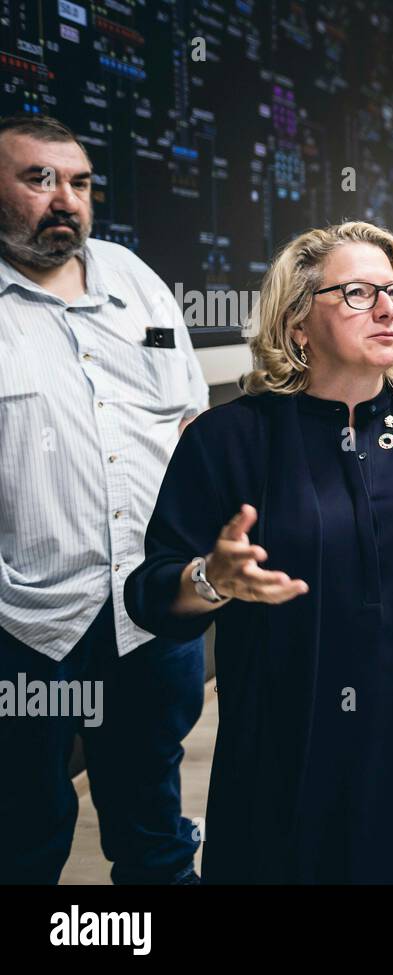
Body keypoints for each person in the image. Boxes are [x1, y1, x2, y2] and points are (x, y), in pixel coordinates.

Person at [124, 221, 393, 884]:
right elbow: (151, 592)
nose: (388, 308)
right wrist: (210, 578)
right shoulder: (228, 439)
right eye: (357, 293)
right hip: (292, 760)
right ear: (297, 322)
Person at [0, 115, 209, 885]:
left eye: (79, 182)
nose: (65, 199)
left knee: (154, 820)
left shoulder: (135, 279)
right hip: (26, 624)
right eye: (38, 179)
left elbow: (189, 422)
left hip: (149, 608)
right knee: (24, 827)